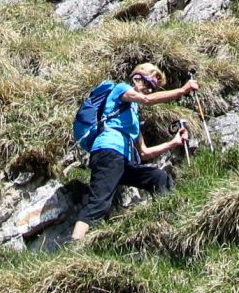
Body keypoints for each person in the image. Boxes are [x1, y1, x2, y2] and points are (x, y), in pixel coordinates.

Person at [69, 62, 199, 246]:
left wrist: (174, 142)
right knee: (99, 203)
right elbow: (145, 100)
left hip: (121, 159)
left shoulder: (132, 117)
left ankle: (171, 218)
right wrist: (181, 90)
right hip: (108, 151)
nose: (149, 91)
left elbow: (144, 153)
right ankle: (74, 246)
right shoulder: (121, 89)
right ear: (137, 78)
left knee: (158, 177)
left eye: (152, 88)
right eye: (148, 85)